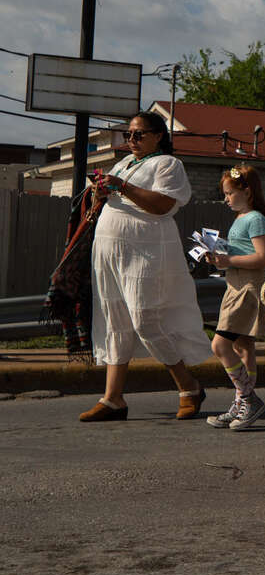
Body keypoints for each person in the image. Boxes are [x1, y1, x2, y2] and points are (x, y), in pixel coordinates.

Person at [79, 111, 212, 422]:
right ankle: (113, 399)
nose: (131, 140)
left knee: (145, 320)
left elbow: (163, 205)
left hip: (146, 253)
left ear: (158, 136)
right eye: (128, 135)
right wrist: (101, 191)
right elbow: (111, 197)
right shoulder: (124, 163)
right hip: (110, 250)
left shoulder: (167, 164)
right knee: (115, 320)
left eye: (138, 134)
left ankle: (189, 386)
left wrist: (121, 187)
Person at [205, 165, 265, 430]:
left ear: (247, 190)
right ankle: (241, 404)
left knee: (220, 346)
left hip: (246, 289)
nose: (226, 199)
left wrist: (229, 259)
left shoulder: (255, 218)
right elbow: (244, 252)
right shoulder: (241, 218)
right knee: (243, 346)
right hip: (235, 286)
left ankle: (249, 399)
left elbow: (264, 258)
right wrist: (219, 257)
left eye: (229, 193)